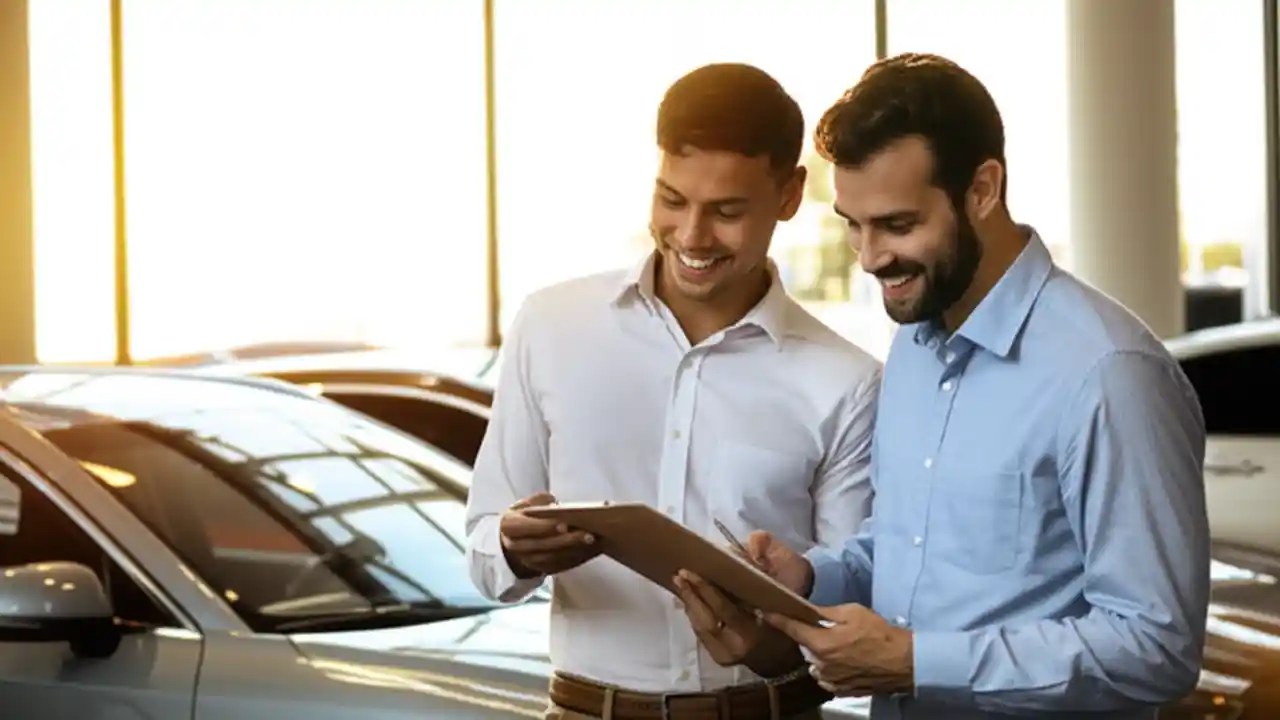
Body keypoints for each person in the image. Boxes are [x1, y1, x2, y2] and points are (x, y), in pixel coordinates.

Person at [673, 53, 1210, 719]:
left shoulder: (1110, 374)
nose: (870, 257)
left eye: (898, 225)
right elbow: (908, 551)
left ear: (982, 189)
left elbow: (1156, 646)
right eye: (853, 224)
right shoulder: (915, 349)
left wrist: (917, 661)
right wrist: (811, 577)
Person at [464, 62, 883, 720]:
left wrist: (770, 648)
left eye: (725, 212)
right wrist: (514, 547)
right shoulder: (551, 325)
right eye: (671, 199)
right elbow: (483, 550)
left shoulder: (845, 382)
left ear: (790, 195)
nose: (690, 235)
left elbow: (848, 620)